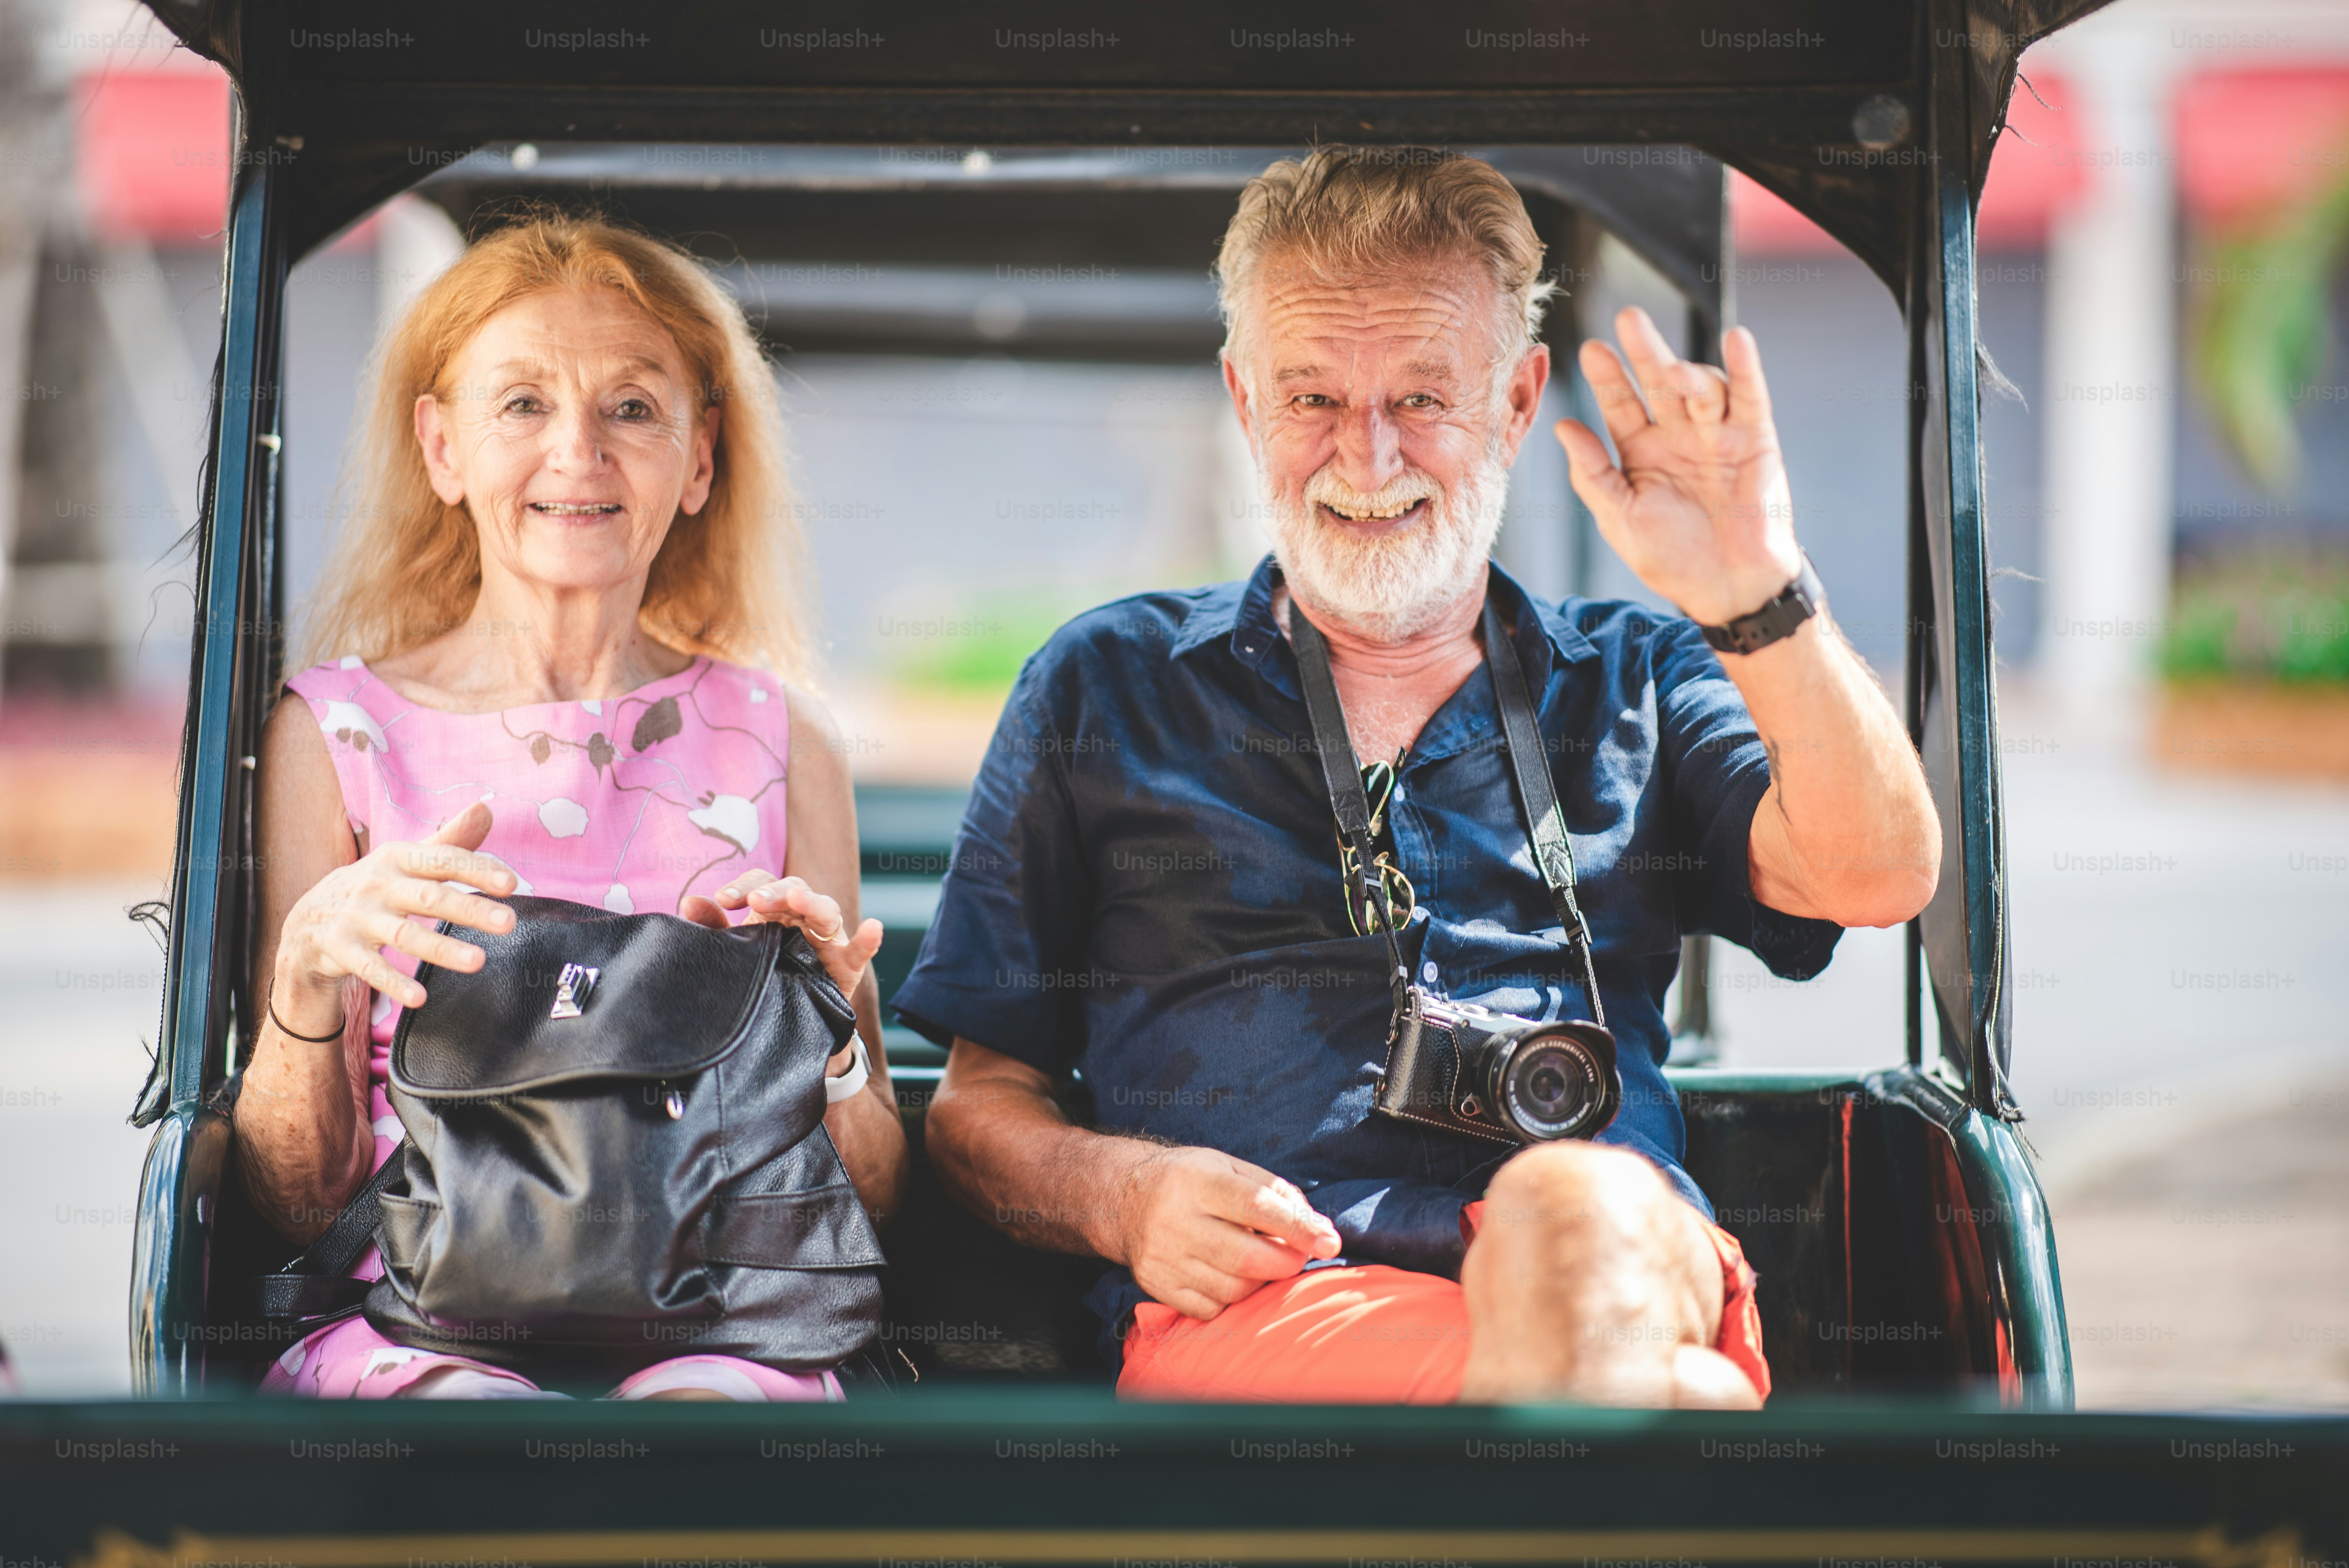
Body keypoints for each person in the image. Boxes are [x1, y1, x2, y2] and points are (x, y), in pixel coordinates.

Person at [901, 147, 1940, 1407]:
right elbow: (973, 1109)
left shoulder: (1637, 677)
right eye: (1314, 400)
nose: (1369, 456)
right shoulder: (1105, 687)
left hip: (1611, 1248)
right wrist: (1126, 1198)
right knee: (1590, 1374)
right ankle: (1645, 1428)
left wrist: (1755, 593)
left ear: (1516, 402)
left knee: (1567, 1215)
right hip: (1281, 1306)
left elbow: (1878, 871)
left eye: (1425, 399)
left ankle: (1601, 1404)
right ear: (1244, 402)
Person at [243, 214, 906, 1401]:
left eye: (634, 409)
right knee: (475, 1431)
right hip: (424, 1316)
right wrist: (304, 980)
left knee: (704, 1431)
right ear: (442, 448)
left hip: (728, 1325)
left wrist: (836, 1030)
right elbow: (296, 1203)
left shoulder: (786, 740)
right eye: (523, 405)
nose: (579, 452)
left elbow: (870, 1198)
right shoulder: (335, 733)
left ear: (701, 460)